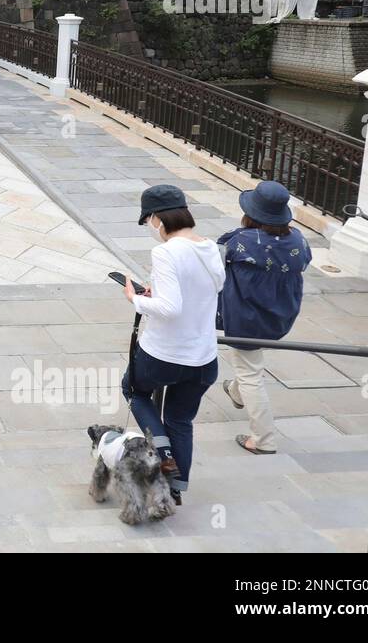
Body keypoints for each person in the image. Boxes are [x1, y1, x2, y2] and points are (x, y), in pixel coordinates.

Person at [120, 184, 224, 503]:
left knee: (134, 391)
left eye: (148, 220)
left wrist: (136, 298)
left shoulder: (165, 252)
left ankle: (163, 453)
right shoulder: (210, 248)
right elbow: (203, 292)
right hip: (204, 359)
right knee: (180, 420)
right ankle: (176, 490)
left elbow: (170, 308)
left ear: (157, 219)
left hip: (165, 355)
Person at [217, 181, 311, 456]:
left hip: (247, 316)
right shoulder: (298, 239)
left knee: (250, 373)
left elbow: (217, 263)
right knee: (249, 364)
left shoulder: (242, 240)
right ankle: (236, 392)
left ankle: (264, 439)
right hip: (281, 313)